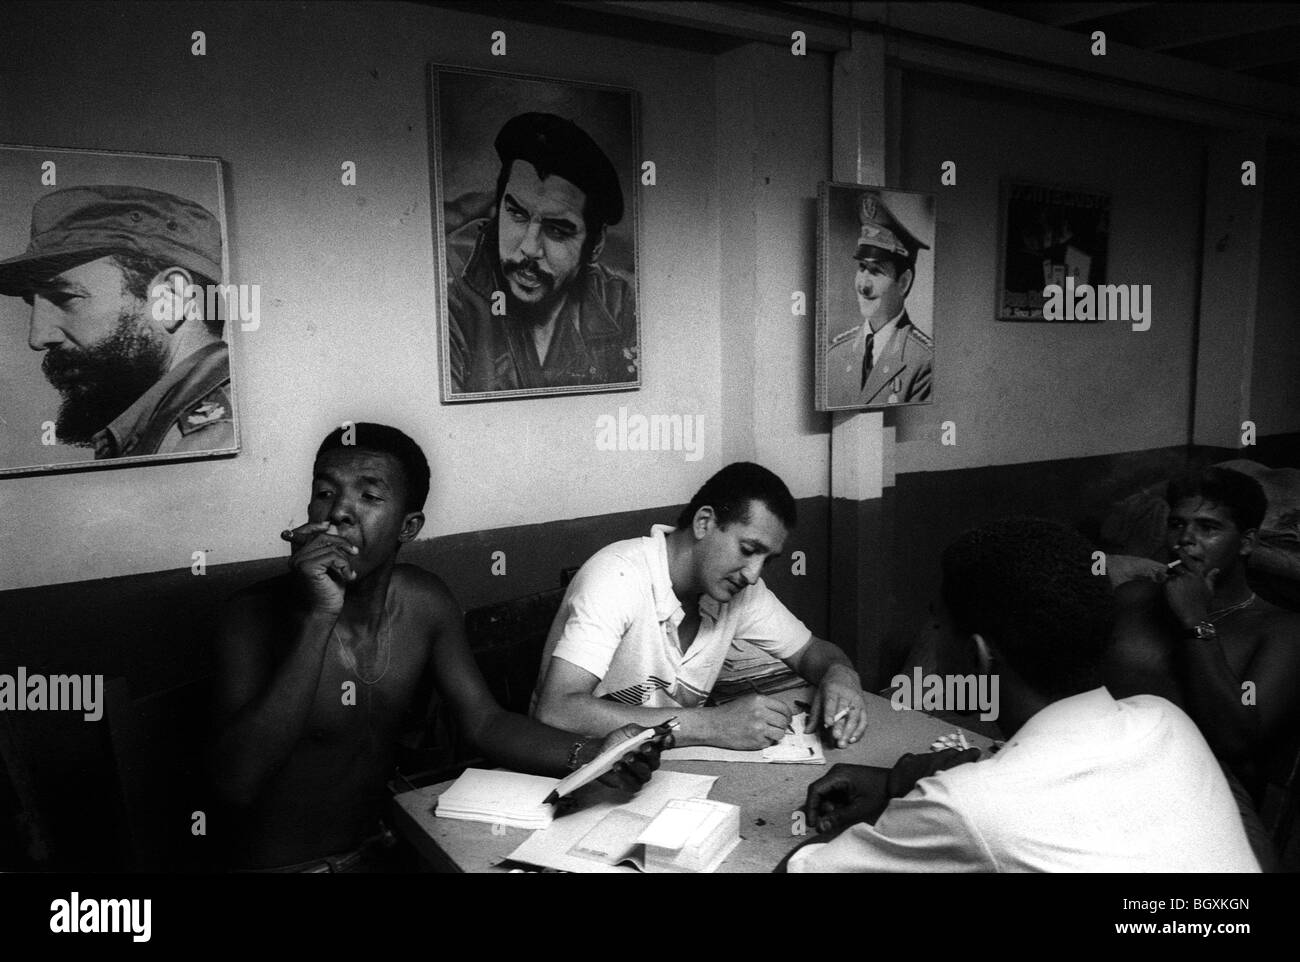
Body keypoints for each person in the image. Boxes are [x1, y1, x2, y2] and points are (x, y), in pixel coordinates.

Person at [210, 423, 666, 871]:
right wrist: (319, 615)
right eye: (326, 492)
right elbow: (237, 782)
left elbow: (485, 723)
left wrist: (593, 755)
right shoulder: (251, 615)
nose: (341, 512)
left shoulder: (422, 603)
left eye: (369, 496)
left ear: (408, 526)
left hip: (387, 852)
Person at [781, 516, 1260, 872]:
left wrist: (829, 841)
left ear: (980, 656)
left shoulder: (966, 808)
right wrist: (896, 780)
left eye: (939, 624)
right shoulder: (1165, 722)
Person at [532, 462, 869, 751]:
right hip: (576, 770)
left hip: (668, 766)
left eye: (767, 560)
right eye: (749, 549)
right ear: (704, 522)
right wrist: (712, 725)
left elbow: (812, 651)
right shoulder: (618, 574)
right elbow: (557, 710)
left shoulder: (737, 590)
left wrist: (841, 674)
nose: (753, 575)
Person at [1104, 467, 1300, 806]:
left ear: (1246, 542)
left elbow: (1236, 741)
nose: (1185, 539)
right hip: (1106, 778)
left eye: (1208, 527)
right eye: (1177, 524)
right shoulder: (1134, 597)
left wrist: (1195, 620)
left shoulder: (1280, 631)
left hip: (1205, 803)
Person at [0, 185, 234, 459]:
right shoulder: (157, 431)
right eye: (32, 302)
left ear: (171, 297)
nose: (37, 337)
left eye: (65, 298)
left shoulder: (208, 440)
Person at [446, 111, 637, 395]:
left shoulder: (619, 301)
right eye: (516, 214)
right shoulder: (448, 288)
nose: (529, 248)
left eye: (557, 230)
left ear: (595, 246)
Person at [824, 190, 933, 407]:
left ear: (903, 282)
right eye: (862, 267)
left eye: (876, 271)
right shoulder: (835, 354)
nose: (863, 285)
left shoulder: (924, 361)